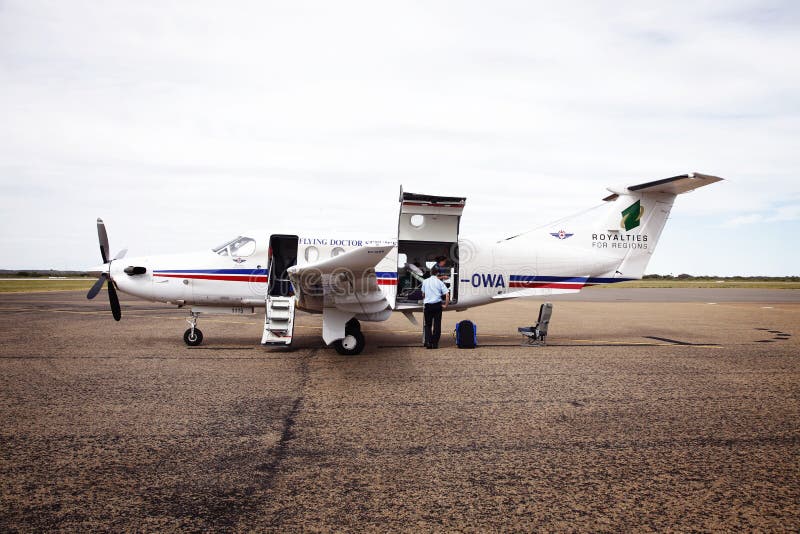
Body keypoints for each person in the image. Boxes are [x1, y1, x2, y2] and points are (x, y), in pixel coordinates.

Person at [421, 265, 450, 349]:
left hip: (428, 305)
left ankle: (429, 342)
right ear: (437, 273)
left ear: (430, 273)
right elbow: (447, 295)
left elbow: (423, 294)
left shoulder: (425, 281)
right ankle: (435, 343)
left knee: (428, 325)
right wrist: (445, 305)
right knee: (437, 325)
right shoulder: (440, 282)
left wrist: (426, 298)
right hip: (437, 305)